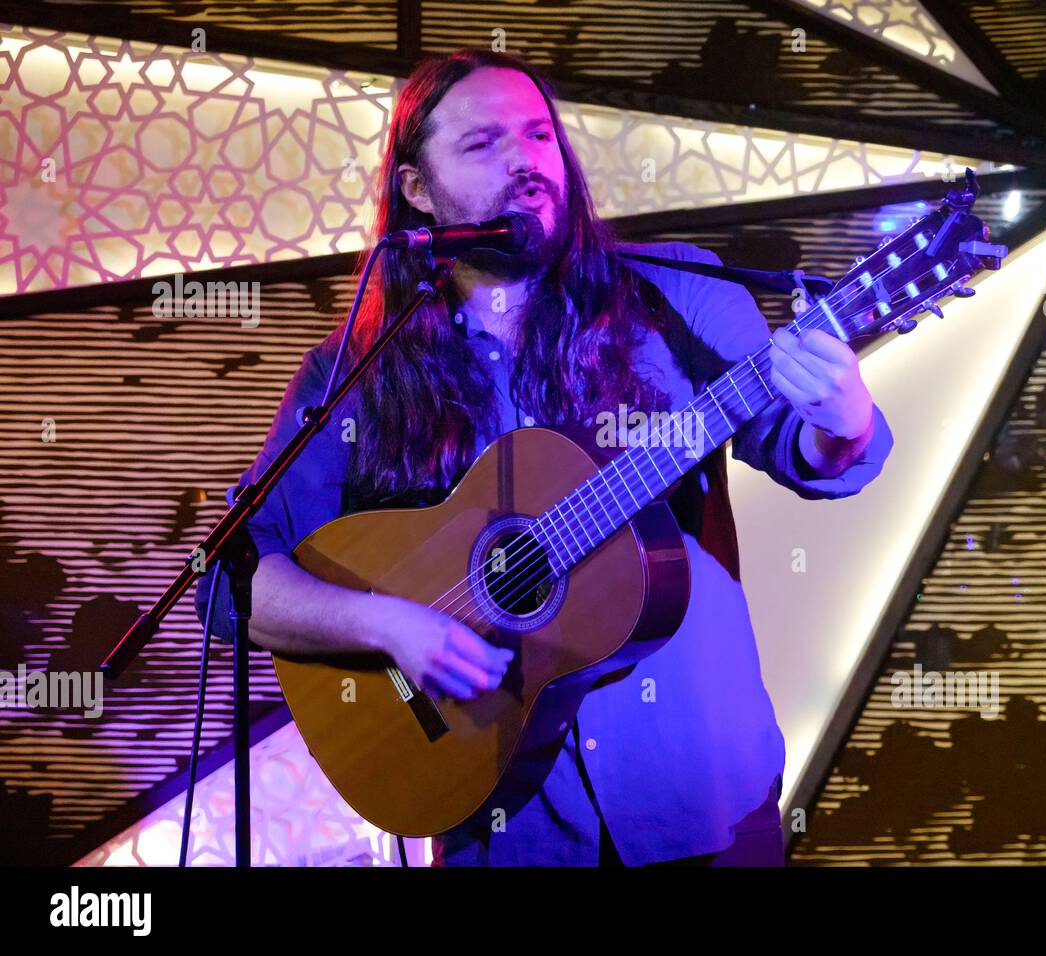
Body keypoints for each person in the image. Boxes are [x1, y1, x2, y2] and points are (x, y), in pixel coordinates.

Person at [195, 47, 894, 866]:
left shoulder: (683, 300)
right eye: (483, 145)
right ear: (417, 190)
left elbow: (806, 449)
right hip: (505, 822)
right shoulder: (360, 371)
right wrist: (386, 624)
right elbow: (232, 581)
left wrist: (841, 416)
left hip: (700, 794)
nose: (526, 161)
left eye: (537, 136)